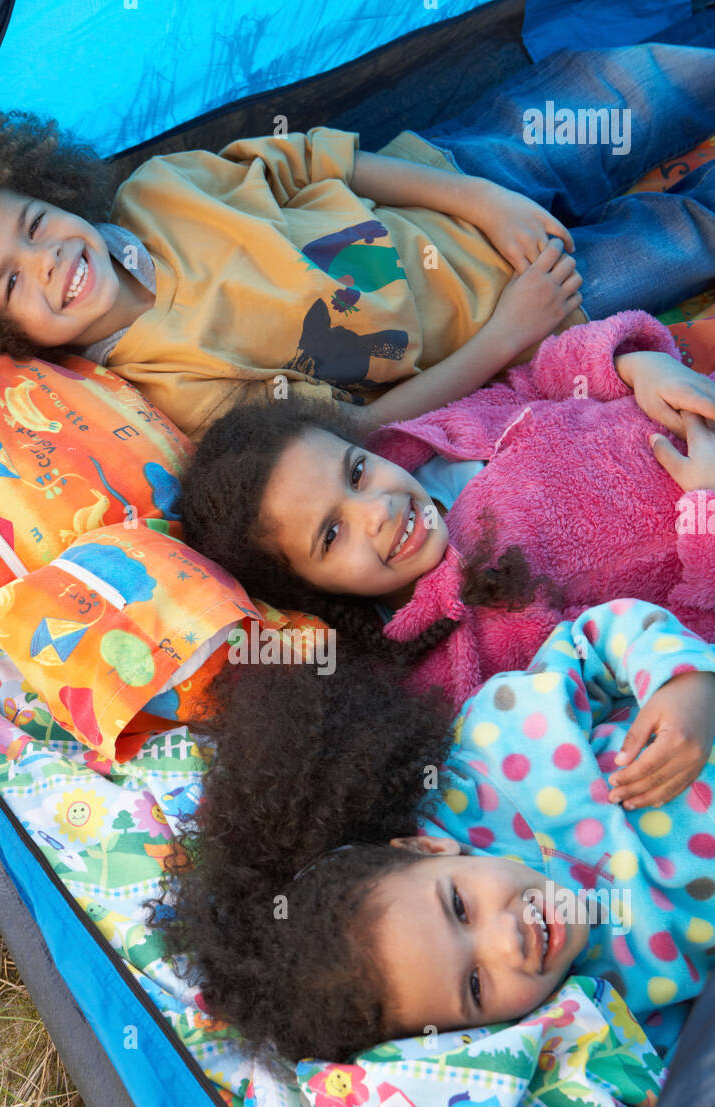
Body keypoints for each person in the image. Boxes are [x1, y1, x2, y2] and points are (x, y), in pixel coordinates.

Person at [0, 42, 714, 438]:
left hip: (459, 177)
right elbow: (356, 427)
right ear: (3, 337)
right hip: (525, 310)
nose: (50, 262)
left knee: (631, 87)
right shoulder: (173, 383)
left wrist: (482, 196)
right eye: (11, 285)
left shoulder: (161, 190)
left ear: (49, 189)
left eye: (35, 225)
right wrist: (509, 338)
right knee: (684, 240)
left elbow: (313, 160)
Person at [155, 597, 715, 1064]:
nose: (507, 943)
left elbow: (593, 640)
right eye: (475, 986)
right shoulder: (596, 1015)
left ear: (427, 848)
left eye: (461, 908)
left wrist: (685, 684)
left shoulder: (492, 759)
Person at [181, 310, 715, 705]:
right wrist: (705, 507)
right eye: (331, 535)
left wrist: (636, 367)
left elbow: (536, 379)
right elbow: (674, 643)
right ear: (311, 591)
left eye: (357, 472)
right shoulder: (477, 645)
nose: (378, 510)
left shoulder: (435, 440)